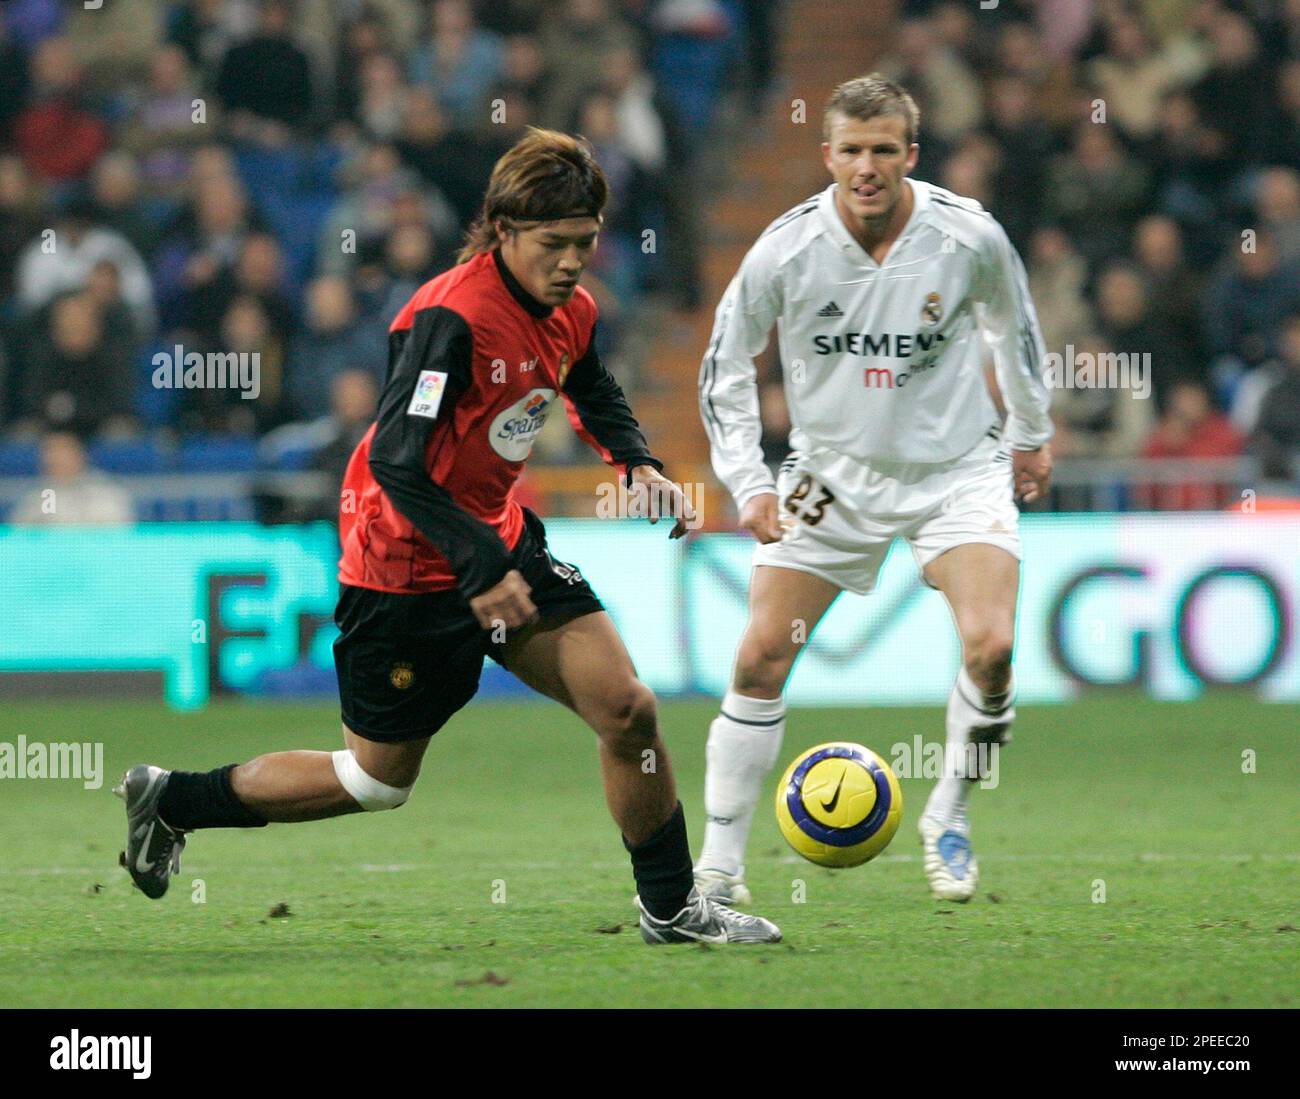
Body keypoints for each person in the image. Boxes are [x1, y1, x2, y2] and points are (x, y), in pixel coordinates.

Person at [115, 127, 781, 946]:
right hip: (404, 568)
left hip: (499, 544)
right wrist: (475, 569)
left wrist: (636, 461)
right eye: (554, 244)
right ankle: (172, 798)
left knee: (629, 709)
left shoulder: (573, 307)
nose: (572, 262)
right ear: (502, 230)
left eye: (585, 243)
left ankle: (673, 909)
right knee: (373, 780)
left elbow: (589, 380)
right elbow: (398, 459)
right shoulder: (449, 320)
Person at [695, 74, 1053, 905]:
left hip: (956, 472)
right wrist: (749, 481)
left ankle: (950, 815)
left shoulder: (968, 237)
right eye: (851, 150)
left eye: (883, 149)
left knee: (991, 647)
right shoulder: (784, 250)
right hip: (830, 478)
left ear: (910, 155)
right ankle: (717, 863)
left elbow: (1018, 328)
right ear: (827, 155)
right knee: (759, 655)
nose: (867, 166)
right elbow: (725, 370)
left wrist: (1031, 432)